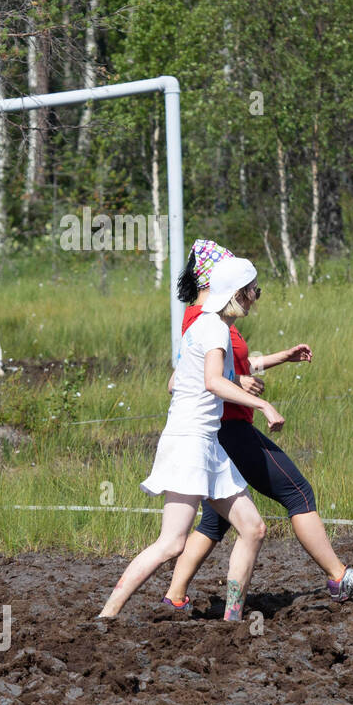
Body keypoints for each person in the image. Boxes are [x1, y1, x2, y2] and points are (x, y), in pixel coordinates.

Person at [159, 239, 353, 611]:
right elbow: (201, 376)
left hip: (222, 428)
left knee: (216, 523)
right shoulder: (205, 319)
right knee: (297, 491)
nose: (254, 295)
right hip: (230, 428)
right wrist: (246, 390)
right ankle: (338, 576)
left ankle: (175, 596)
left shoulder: (207, 318)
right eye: (251, 288)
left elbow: (233, 367)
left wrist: (282, 357)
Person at [98, 257, 281, 620]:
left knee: (254, 529)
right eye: (253, 290)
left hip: (206, 441)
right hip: (189, 443)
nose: (256, 297)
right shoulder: (213, 329)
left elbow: (174, 383)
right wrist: (263, 404)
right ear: (238, 294)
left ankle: (232, 618)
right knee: (171, 543)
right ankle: (106, 616)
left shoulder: (206, 327)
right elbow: (213, 382)